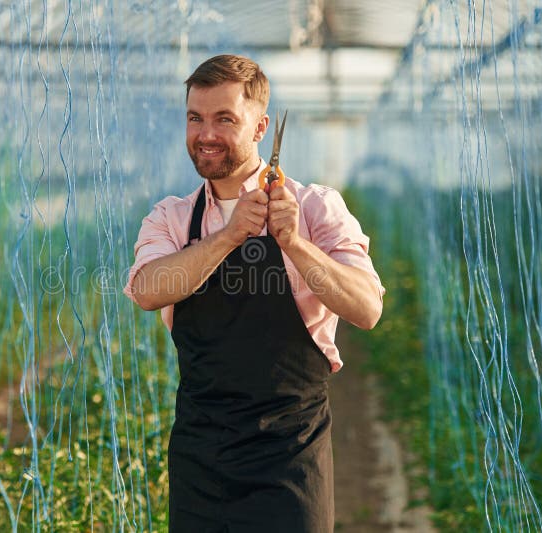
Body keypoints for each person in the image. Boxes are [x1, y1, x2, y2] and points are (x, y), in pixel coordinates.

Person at [123, 54, 385, 533]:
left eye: (225, 119)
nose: (206, 134)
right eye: (195, 118)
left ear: (261, 126)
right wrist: (226, 237)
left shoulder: (315, 208)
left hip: (290, 461)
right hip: (201, 464)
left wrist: (296, 245)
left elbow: (367, 308)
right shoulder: (173, 218)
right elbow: (146, 290)